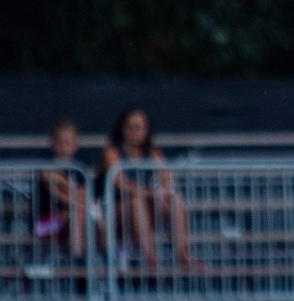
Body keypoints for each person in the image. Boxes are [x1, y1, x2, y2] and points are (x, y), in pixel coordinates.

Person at [100, 108, 197, 269]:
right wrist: (151, 193)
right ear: (122, 129)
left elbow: (167, 179)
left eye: (139, 127)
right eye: (130, 127)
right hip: (114, 210)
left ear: (146, 130)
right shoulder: (111, 152)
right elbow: (120, 184)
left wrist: (163, 193)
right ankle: (149, 258)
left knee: (175, 198)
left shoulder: (152, 152)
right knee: (137, 200)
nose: (134, 132)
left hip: (145, 210)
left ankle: (182, 254)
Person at [35, 119, 96, 260]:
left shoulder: (81, 170)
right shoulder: (46, 165)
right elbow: (53, 188)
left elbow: (84, 192)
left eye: (67, 142)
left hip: (72, 218)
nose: (63, 147)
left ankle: (109, 259)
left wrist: (63, 183)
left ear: (76, 145)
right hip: (45, 223)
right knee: (79, 213)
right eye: (59, 142)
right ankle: (77, 261)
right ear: (51, 143)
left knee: (96, 218)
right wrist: (76, 198)